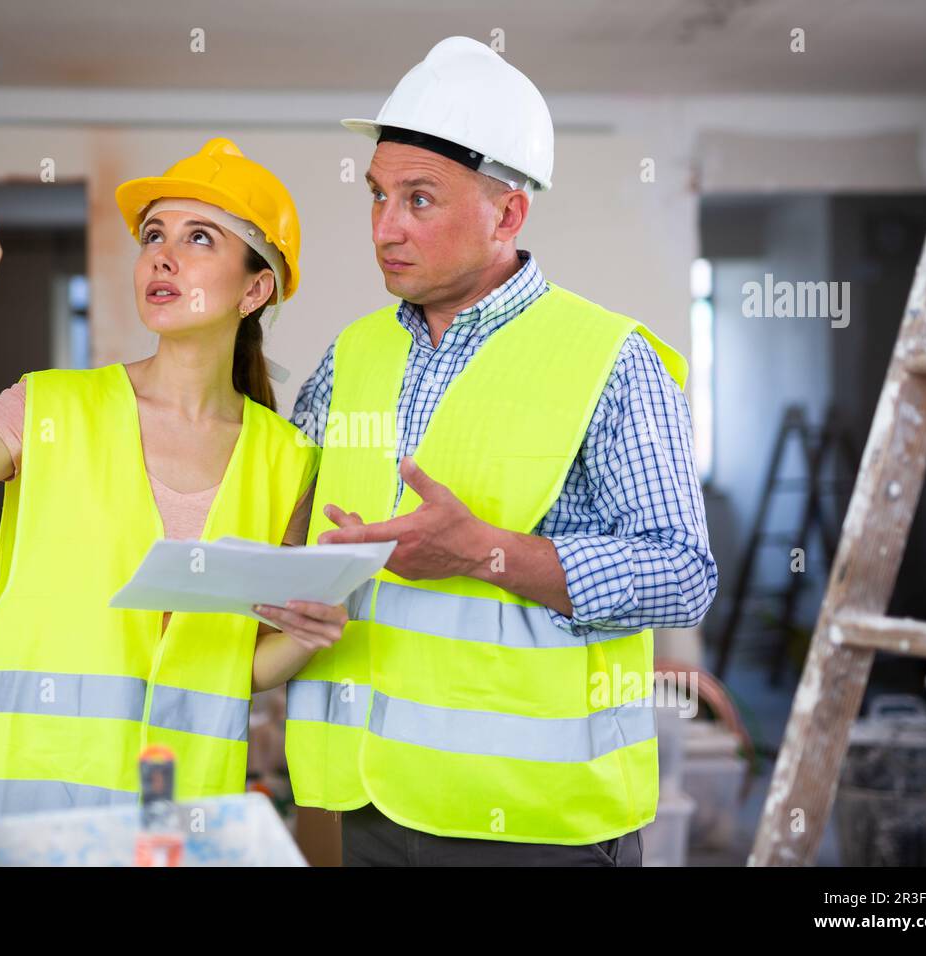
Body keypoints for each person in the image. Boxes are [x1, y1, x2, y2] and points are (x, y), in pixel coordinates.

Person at [285, 37, 719, 866]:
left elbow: (683, 576)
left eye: (419, 199)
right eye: (376, 196)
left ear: (508, 213)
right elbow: (296, 523)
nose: (385, 227)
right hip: (366, 800)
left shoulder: (611, 359)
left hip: (537, 823)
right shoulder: (353, 355)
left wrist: (483, 553)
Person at [0, 138, 344, 821]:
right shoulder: (53, 408)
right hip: (12, 807)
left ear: (255, 290)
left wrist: (307, 637)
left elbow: (233, 668)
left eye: (200, 237)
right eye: (154, 235)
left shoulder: (287, 461)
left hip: (172, 816)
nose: (162, 255)